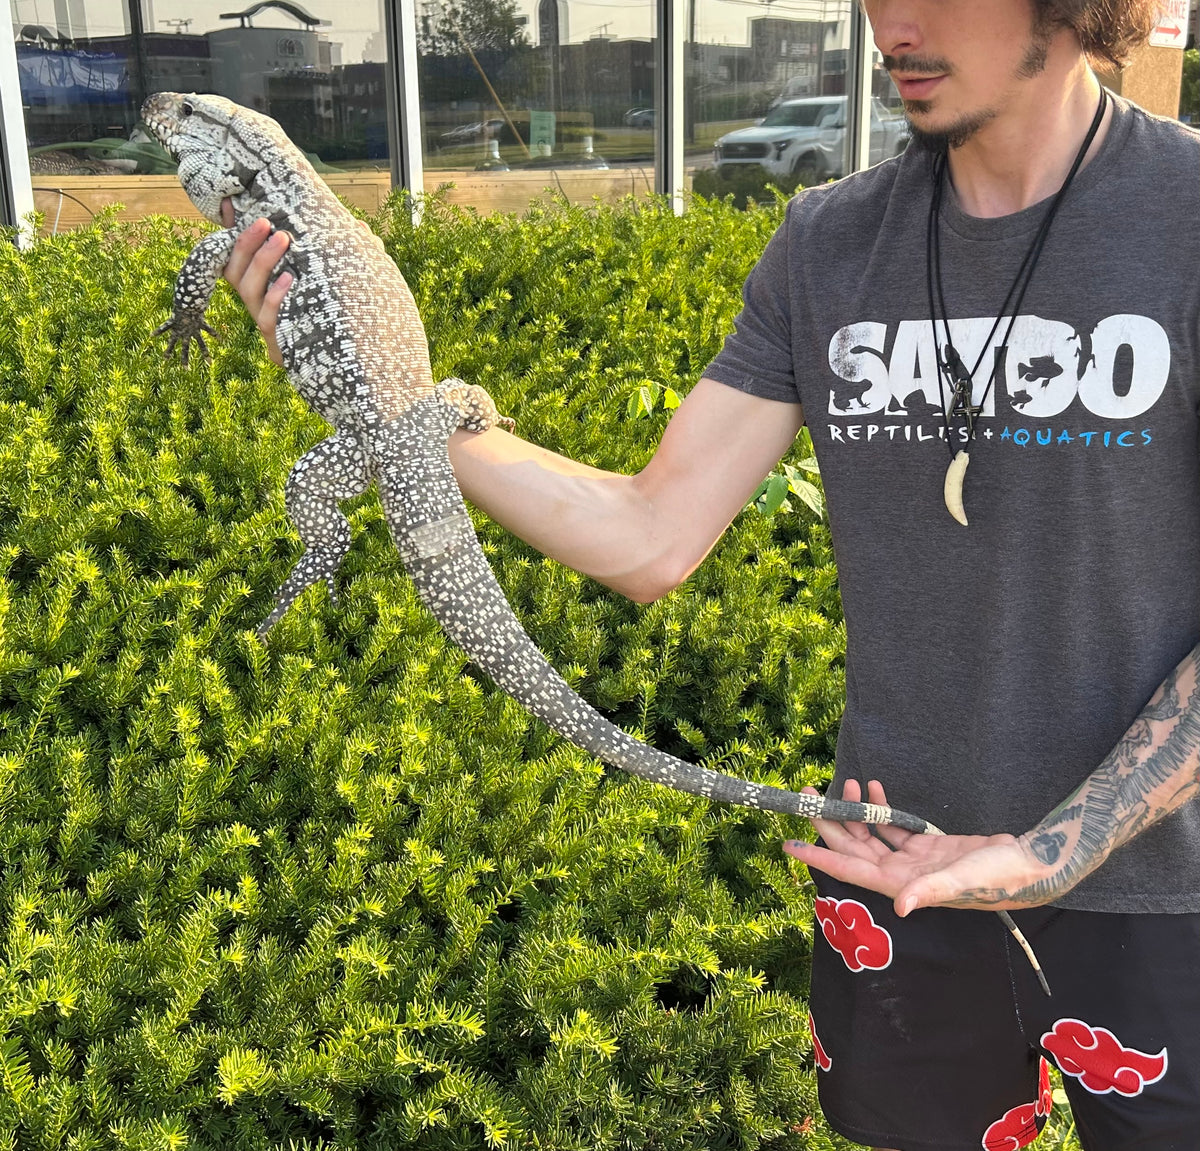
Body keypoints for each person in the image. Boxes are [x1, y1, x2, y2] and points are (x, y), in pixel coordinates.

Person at [222, 2, 1200, 1146]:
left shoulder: (1183, 217)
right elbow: (652, 531)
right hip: (892, 859)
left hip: (1164, 891)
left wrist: (1049, 849)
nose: (895, 23)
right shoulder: (832, 242)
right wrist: (400, 409)